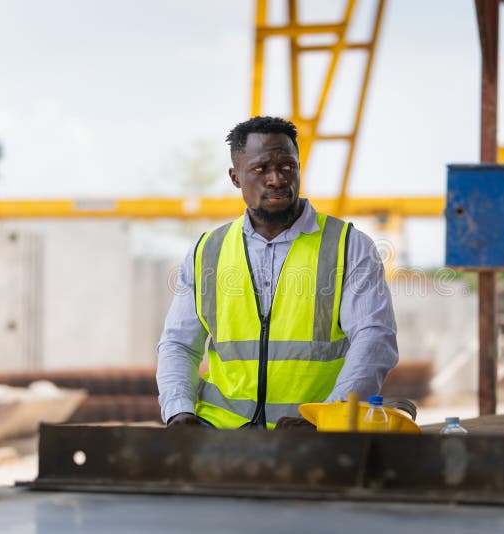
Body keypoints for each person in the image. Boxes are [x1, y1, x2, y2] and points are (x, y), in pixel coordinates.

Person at [156, 116, 399, 429]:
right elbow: (179, 343)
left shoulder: (349, 246)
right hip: (217, 434)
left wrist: (327, 418)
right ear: (235, 177)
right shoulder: (208, 251)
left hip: (311, 434)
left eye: (287, 166)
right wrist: (178, 411)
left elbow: (374, 339)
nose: (277, 179)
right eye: (261, 169)